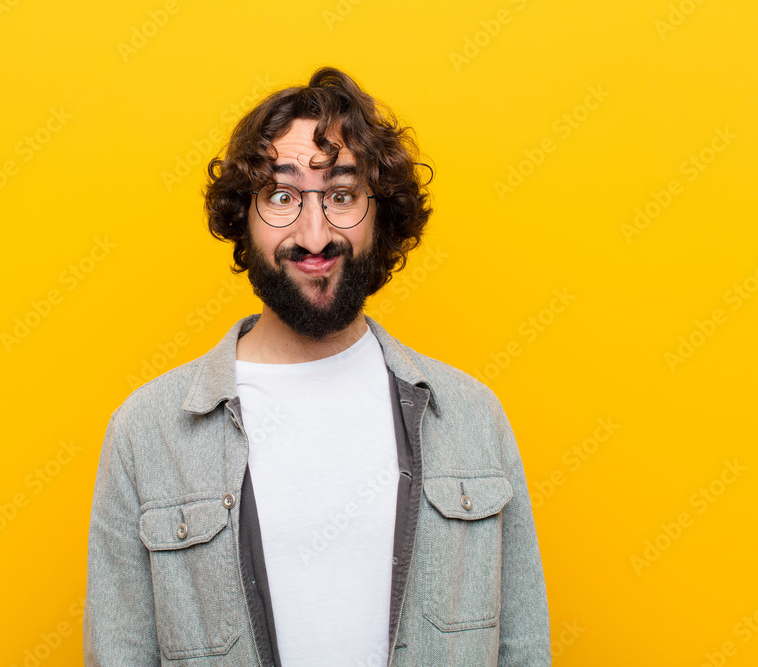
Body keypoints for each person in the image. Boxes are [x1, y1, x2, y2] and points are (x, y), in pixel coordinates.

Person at [84, 66, 550, 666]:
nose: (313, 233)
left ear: (381, 215)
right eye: (281, 196)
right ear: (242, 219)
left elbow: (523, 651)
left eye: (341, 194)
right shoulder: (146, 433)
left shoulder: (471, 419)